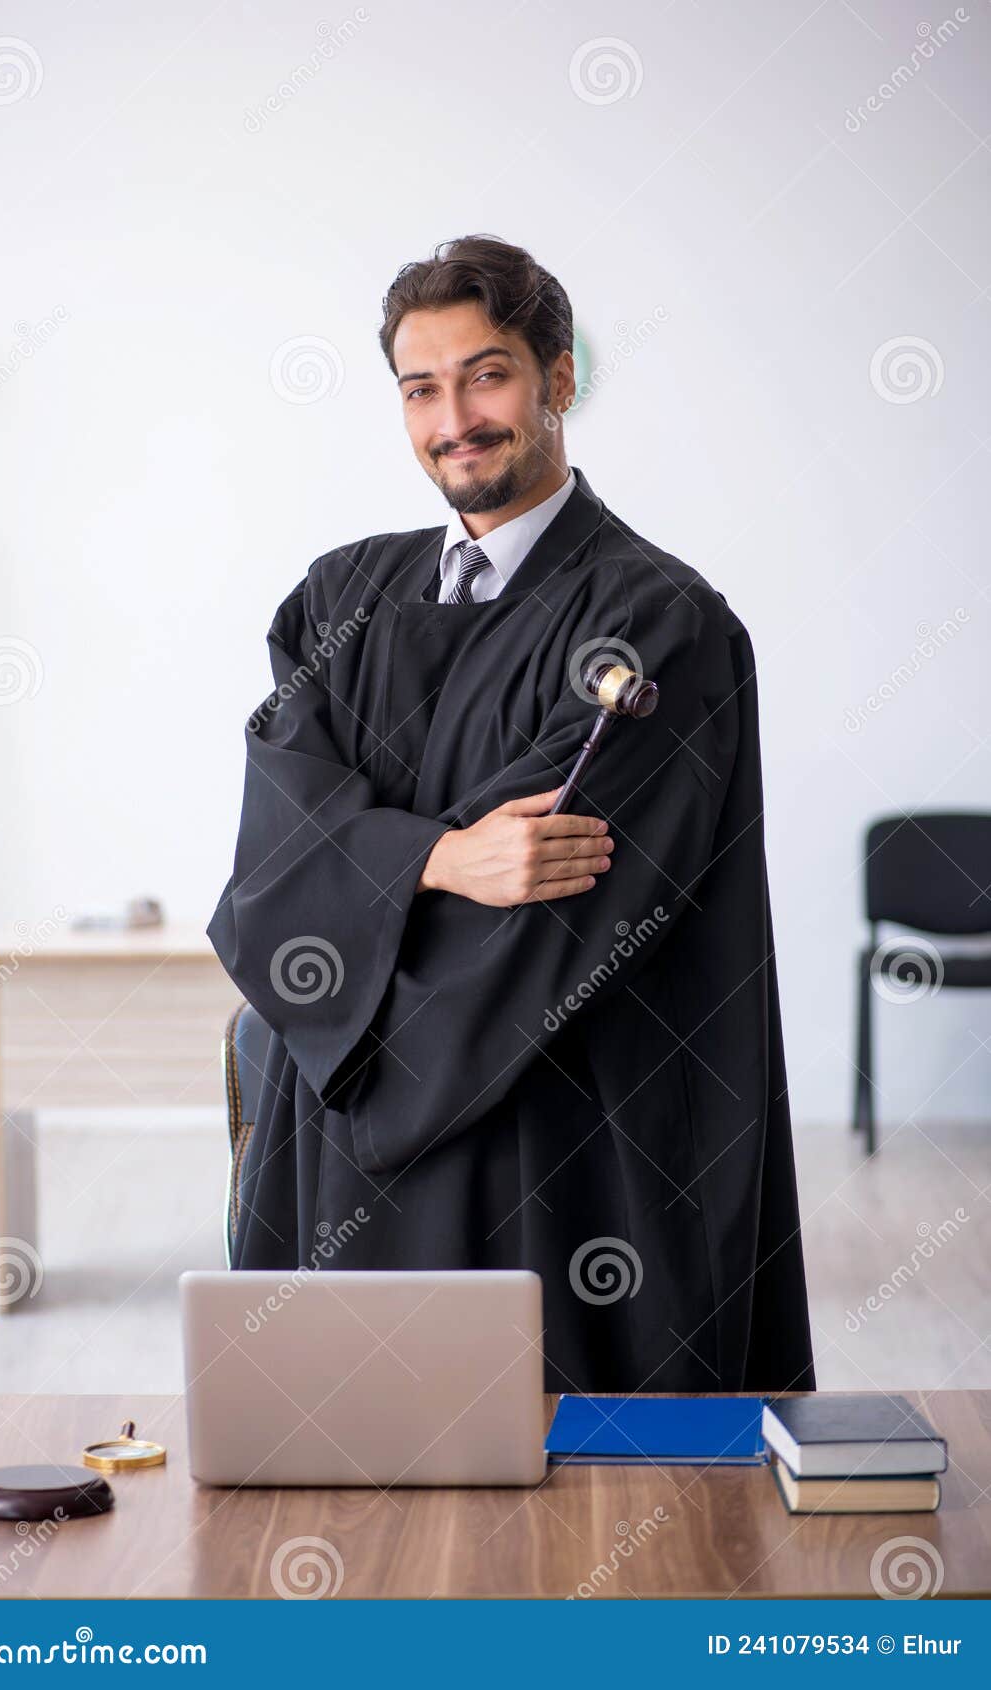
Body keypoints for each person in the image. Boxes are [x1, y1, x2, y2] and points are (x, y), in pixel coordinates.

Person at [206, 233, 816, 1394]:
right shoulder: (339, 599)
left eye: (487, 375)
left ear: (558, 378)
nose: (455, 418)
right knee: (334, 1486)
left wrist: (364, 884)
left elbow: (552, 904)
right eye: (420, 389)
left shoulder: (660, 622)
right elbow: (272, 855)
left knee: (565, 1513)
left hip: (552, 1151)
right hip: (323, 1148)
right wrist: (437, 856)